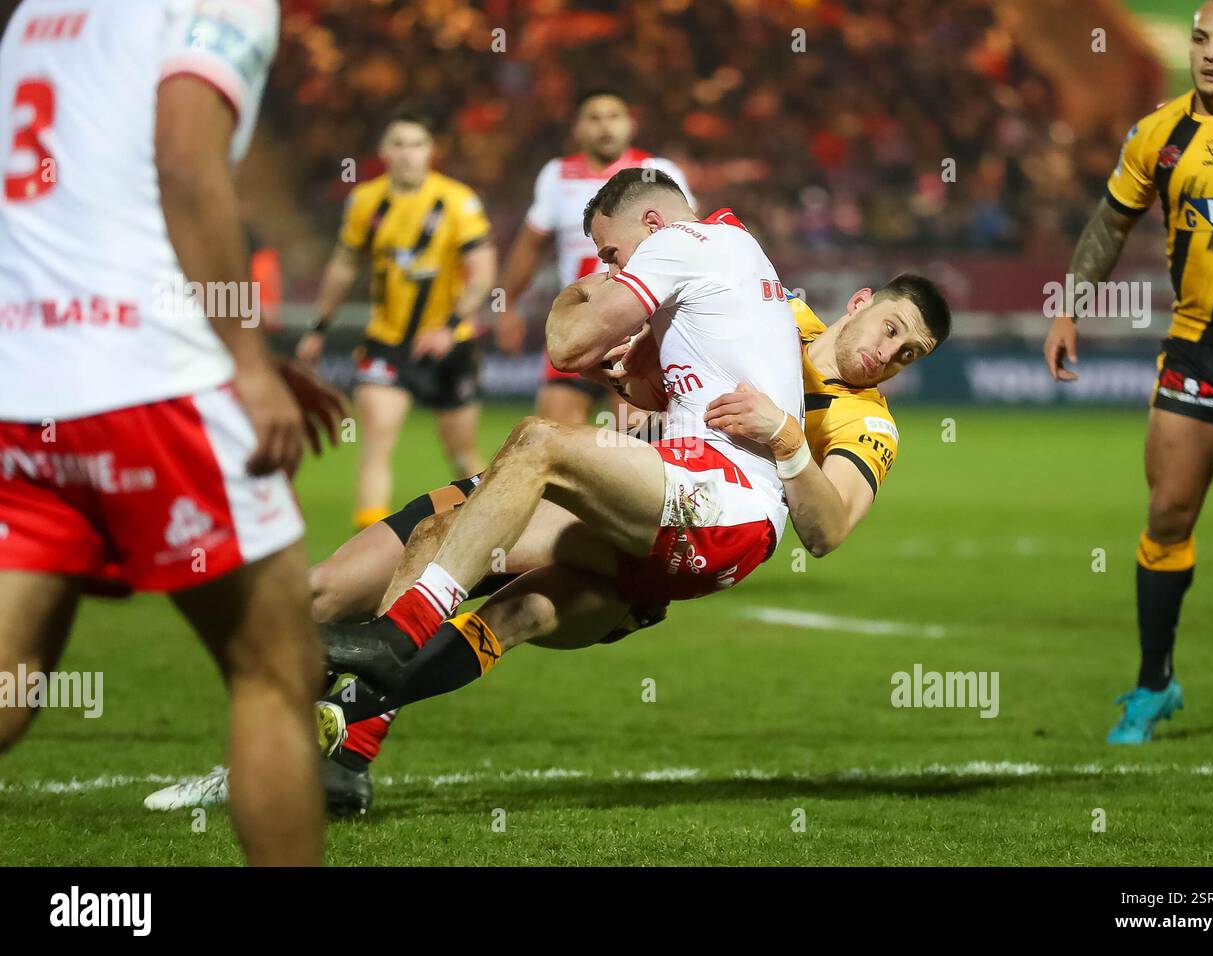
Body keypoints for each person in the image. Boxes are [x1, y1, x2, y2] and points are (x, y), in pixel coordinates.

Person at [147, 272, 951, 817]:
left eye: (908, 354)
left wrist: (788, 443)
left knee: (516, 612)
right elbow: (653, 379)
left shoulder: (866, 423)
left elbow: (829, 526)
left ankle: (313, 755)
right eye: (891, 329)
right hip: (601, 480)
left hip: (651, 541)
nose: (888, 354)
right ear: (862, 298)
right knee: (343, 583)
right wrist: (627, 378)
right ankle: (337, 753)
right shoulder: (770, 314)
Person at [0, 0, 346, 864]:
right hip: (151, 389)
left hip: (23, 389)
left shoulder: (39, 8)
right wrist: (243, 357)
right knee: (276, 672)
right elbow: (186, 160)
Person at [1043, 0, 1213, 744]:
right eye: (1200, 39)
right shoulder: (1160, 133)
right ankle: (1154, 685)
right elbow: (1110, 220)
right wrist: (1069, 307)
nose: (1211, 52)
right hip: (1196, 354)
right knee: (1167, 516)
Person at [297, 109, 497, 530]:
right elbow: (344, 265)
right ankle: (370, 558)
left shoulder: (457, 201)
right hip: (386, 341)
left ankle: (488, 537)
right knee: (376, 446)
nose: (408, 154)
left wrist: (449, 325)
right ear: (384, 152)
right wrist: (318, 328)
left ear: (431, 151)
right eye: (399, 144)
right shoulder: (366, 201)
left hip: (451, 343)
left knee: (462, 456)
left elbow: (482, 271)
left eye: (417, 144)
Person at [495, 90, 694, 425]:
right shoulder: (557, 175)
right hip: (581, 322)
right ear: (577, 128)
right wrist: (508, 306)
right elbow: (529, 245)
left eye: (614, 116)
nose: (606, 126)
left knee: (634, 441)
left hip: (639, 324)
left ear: (631, 125)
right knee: (552, 439)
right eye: (595, 117)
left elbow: (692, 239)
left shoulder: (655, 170)